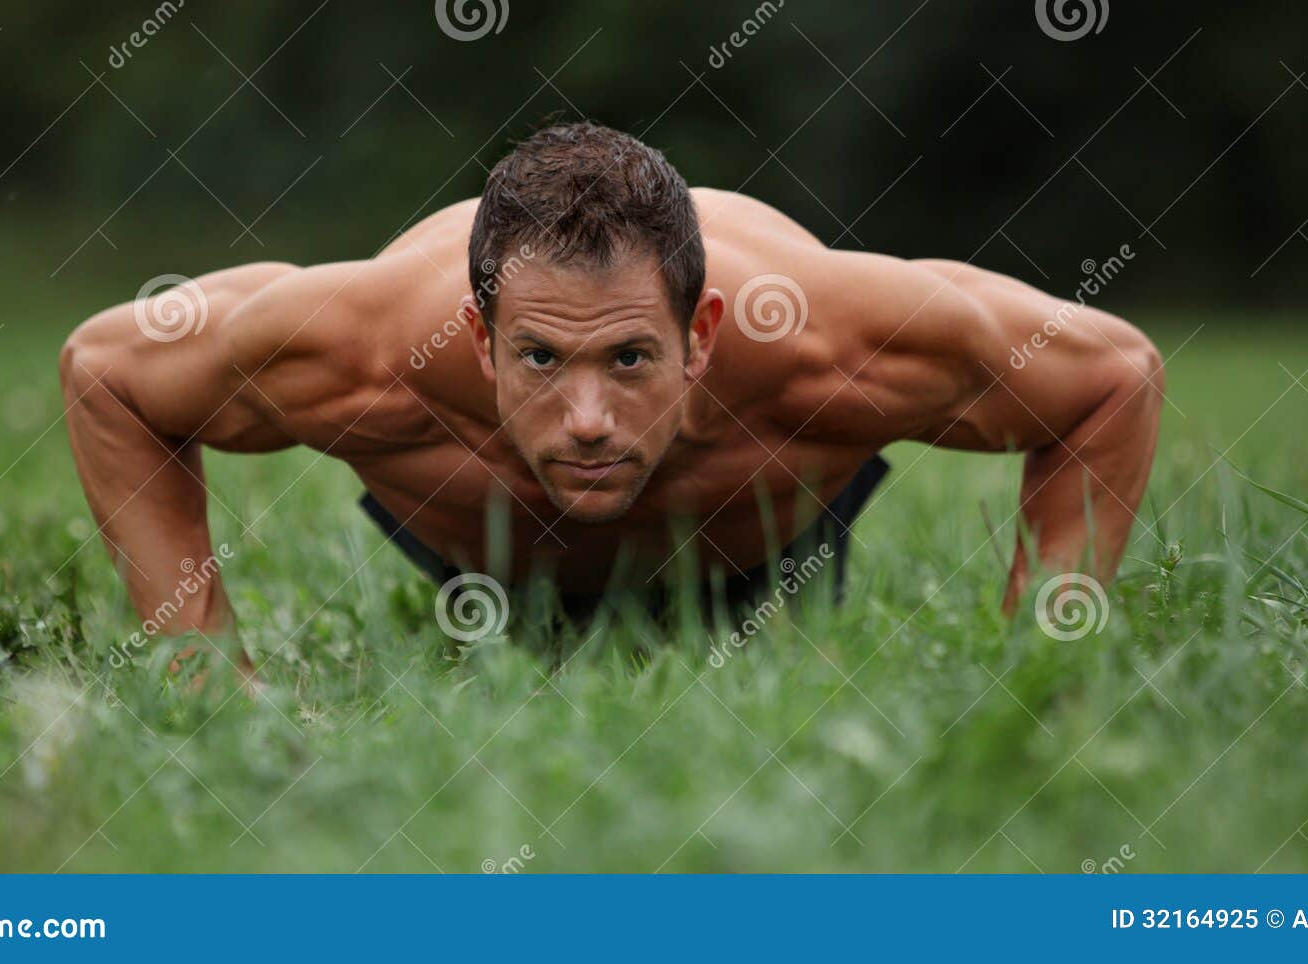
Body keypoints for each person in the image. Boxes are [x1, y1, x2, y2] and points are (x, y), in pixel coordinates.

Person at [61, 121, 1163, 641]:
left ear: (702, 336)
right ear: (481, 342)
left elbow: (1109, 375)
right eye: (539, 359)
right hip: (481, 557)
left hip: (762, 544)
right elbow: (108, 371)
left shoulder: (831, 335)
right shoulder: (359, 344)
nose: (587, 422)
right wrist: (195, 660)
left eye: (631, 358)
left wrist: (1039, 658)